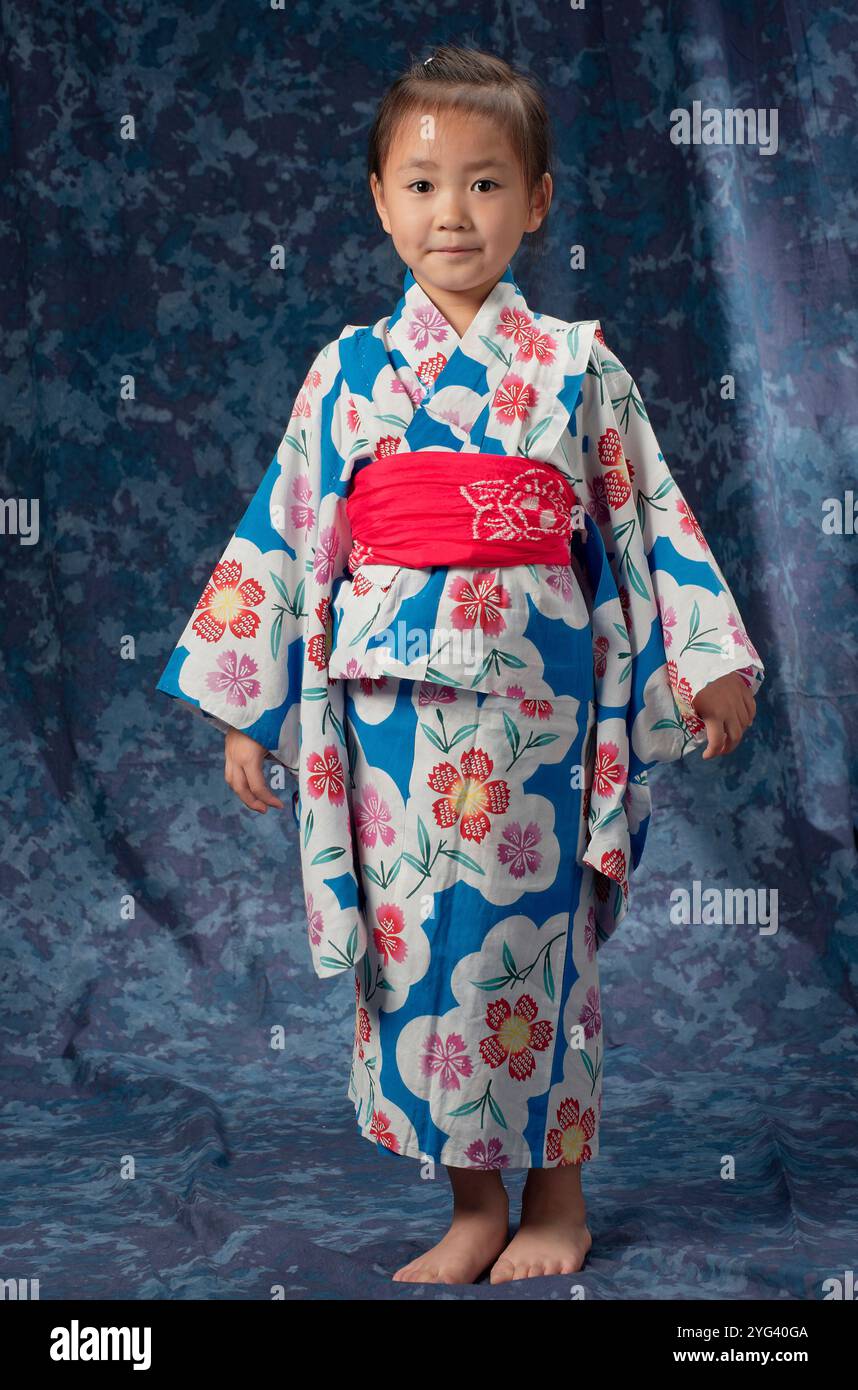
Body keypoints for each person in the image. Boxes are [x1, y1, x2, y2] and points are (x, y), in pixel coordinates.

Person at [156, 43, 764, 1286]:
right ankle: (473, 1201)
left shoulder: (576, 369)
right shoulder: (346, 375)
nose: (453, 214)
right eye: (424, 186)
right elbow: (287, 531)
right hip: (385, 729)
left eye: (487, 185)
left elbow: (649, 517)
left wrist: (709, 664)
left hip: (539, 721)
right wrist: (251, 706)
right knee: (419, 953)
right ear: (379, 198)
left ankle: (561, 1201)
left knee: (536, 951)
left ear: (538, 200)